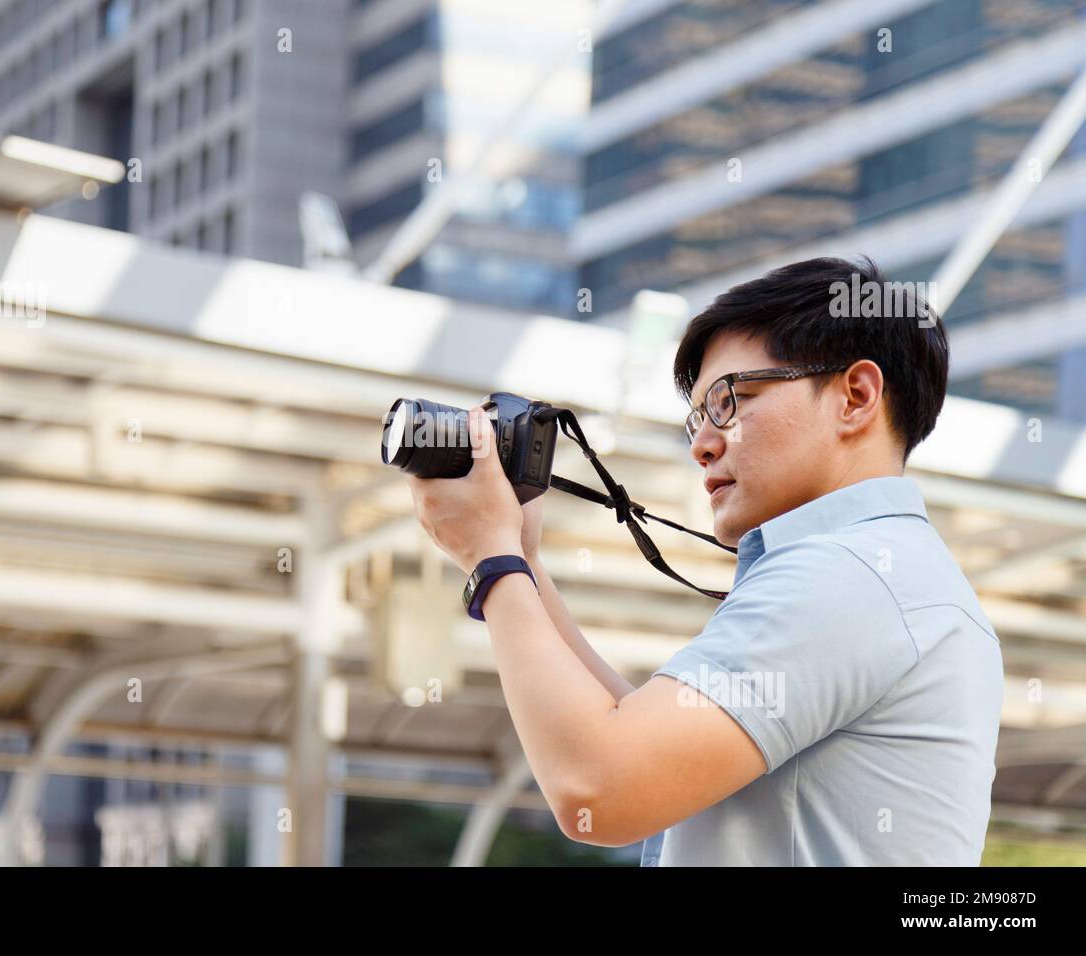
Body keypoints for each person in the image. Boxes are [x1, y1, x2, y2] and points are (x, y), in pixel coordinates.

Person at [404, 256, 1003, 865]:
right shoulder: (886, 572)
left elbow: (601, 786)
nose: (701, 443)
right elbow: (630, 737)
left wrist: (492, 560)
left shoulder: (852, 574)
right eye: (697, 417)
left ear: (855, 396)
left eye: (730, 401)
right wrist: (522, 559)